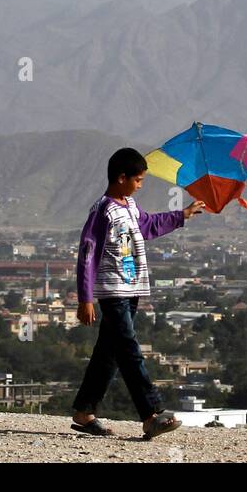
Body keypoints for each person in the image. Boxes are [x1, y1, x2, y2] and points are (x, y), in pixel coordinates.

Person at [70, 147, 207, 439]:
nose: (141, 185)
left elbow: (148, 225)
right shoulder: (103, 210)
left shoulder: (130, 207)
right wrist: (85, 297)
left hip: (131, 289)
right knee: (130, 350)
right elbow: (87, 252)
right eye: (139, 180)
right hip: (112, 290)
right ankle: (151, 414)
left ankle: (84, 410)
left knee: (108, 353)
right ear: (122, 177)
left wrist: (182, 214)